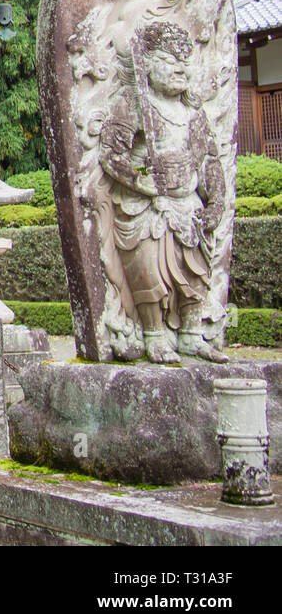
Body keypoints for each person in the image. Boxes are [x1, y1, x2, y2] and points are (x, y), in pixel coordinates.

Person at [98, 22, 227, 363]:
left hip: (188, 203)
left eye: (185, 61)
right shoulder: (135, 103)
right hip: (148, 205)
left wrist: (214, 203)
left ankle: (190, 332)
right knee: (149, 269)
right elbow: (110, 154)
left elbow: (210, 161)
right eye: (170, 60)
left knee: (195, 272)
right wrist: (141, 180)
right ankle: (153, 333)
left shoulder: (193, 112)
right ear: (148, 63)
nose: (181, 68)